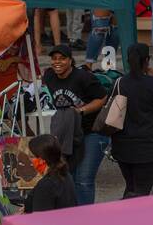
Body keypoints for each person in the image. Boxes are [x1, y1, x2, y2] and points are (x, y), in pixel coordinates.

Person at [40, 46, 107, 205]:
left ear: (70, 60)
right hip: (68, 133)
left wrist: (81, 111)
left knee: (83, 180)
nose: (57, 62)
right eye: (54, 58)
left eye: (62, 58)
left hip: (92, 132)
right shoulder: (49, 76)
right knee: (68, 176)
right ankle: (72, 213)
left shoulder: (83, 77)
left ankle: (84, 216)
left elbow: (103, 97)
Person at [110, 42, 153, 198]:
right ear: (147, 60)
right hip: (147, 148)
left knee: (131, 187)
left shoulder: (120, 82)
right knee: (141, 193)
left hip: (122, 147)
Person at [25, 134, 78, 213]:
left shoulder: (46, 185)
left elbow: (39, 218)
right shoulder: (65, 175)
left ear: (42, 160)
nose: (29, 160)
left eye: (31, 156)